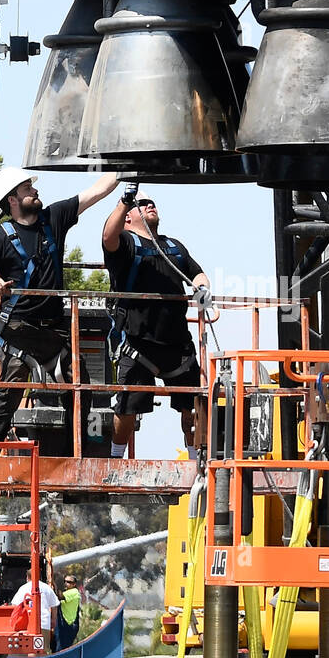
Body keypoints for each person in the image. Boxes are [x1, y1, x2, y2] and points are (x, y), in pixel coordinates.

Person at [0, 166, 119, 447]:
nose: (35, 191)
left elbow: (97, 190)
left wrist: (124, 170)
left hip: (50, 328)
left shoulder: (54, 218)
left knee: (76, 383)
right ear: (12, 199)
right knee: (11, 393)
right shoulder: (0, 238)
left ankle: (75, 455)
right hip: (18, 327)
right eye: (27, 189)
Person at [101, 183, 215, 456]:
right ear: (128, 214)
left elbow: (197, 273)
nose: (151, 205)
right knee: (128, 406)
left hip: (177, 344)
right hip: (139, 344)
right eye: (144, 203)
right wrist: (125, 200)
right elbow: (108, 237)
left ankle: (195, 460)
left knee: (195, 405)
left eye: (153, 202)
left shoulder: (173, 247)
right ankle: (116, 461)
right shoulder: (126, 245)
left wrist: (203, 290)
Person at [11, 564, 60, 650]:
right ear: (40, 576)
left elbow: (15, 606)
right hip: (44, 624)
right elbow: (54, 605)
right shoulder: (47, 588)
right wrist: (53, 620)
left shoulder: (23, 588)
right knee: (42, 650)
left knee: (28, 650)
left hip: (27, 626)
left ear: (27, 577)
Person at [56, 573, 83, 650]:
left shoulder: (74, 592)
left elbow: (60, 596)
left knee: (62, 648)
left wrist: (55, 584)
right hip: (63, 623)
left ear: (74, 584)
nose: (66, 583)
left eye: (69, 582)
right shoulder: (66, 592)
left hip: (69, 625)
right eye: (65, 581)